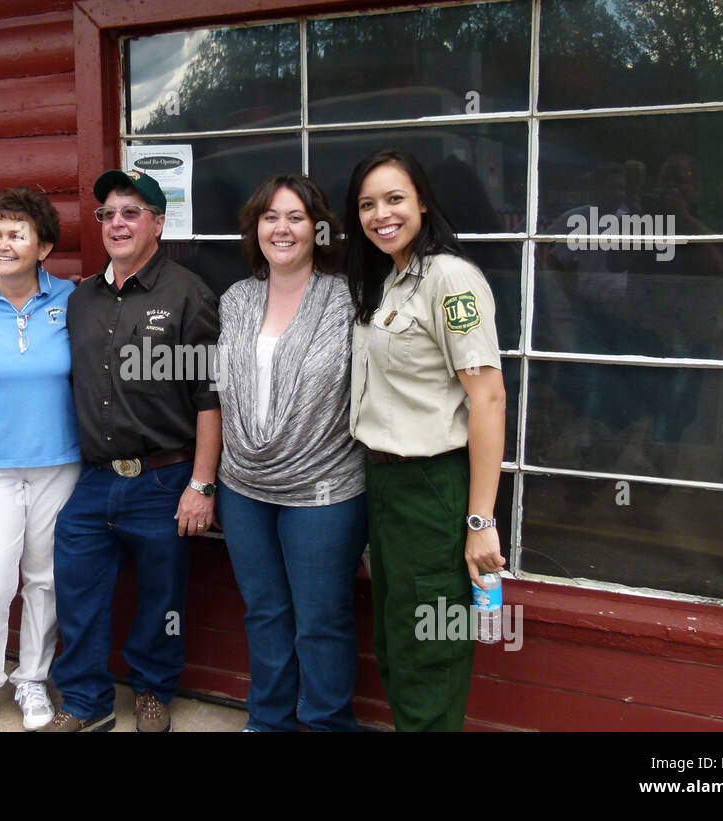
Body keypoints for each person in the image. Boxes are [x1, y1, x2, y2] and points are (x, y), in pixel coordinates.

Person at [44, 169, 220, 732]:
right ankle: (86, 701)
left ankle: (152, 691)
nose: (116, 223)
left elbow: (209, 397)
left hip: (164, 479)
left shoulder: (188, 293)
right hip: (95, 480)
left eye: (131, 212)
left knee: (162, 599)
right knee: (78, 592)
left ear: (158, 224)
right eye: (107, 214)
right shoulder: (80, 301)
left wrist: (201, 483)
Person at [344, 149, 506, 732]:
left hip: (431, 486)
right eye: (367, 204)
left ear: (423, 203)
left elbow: (487, 397)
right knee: (399, 642)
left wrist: (480, 521)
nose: (381, 214)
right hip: (384, 484)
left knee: (427, 650)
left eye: (394, 199)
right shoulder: (387, 282)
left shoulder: (449, 278)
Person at [216, 174, 367, 731]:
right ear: (255, 229)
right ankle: (269, 721)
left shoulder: (347, 299)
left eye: (296, 217)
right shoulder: (237, 299)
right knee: (265, 613)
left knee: (321, 621)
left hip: (323, 488)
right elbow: (221, 392)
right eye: (270, 217)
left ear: (318, 228)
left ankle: (327, 723)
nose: (282, 228)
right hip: (243, 488)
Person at [0, 188, 80, 732]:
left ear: (43, 245)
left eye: (17, 234)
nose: (4, 244)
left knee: (45, 579)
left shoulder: (72, 299)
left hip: (58, 461)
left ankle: (31, 679)